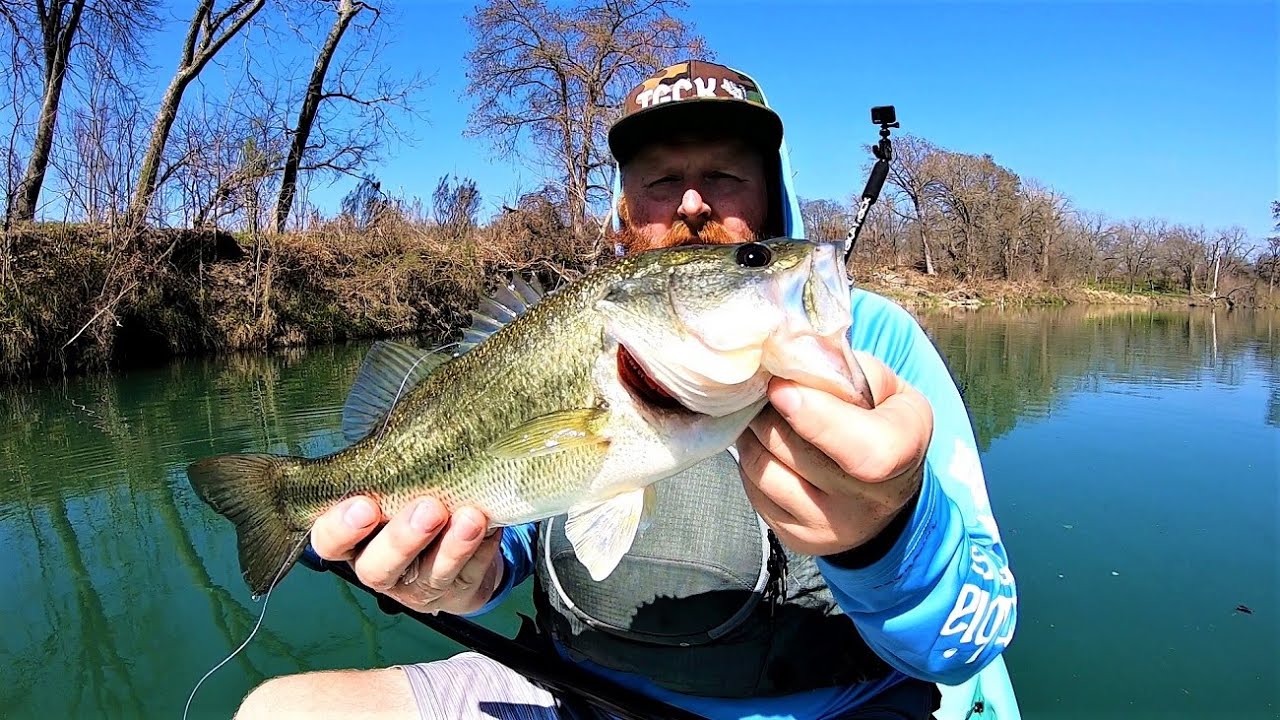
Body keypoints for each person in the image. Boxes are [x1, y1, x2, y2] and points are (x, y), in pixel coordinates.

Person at [233, 60, 1020, 720]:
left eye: (723, 175)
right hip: (573, 692)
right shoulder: (563, 331)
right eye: (660, 180)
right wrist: (457, 581)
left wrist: (888, 532)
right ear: (622, 210)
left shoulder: (871, 350)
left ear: (773, 200)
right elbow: (505, 545)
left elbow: (972, 643)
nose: (690, 201)